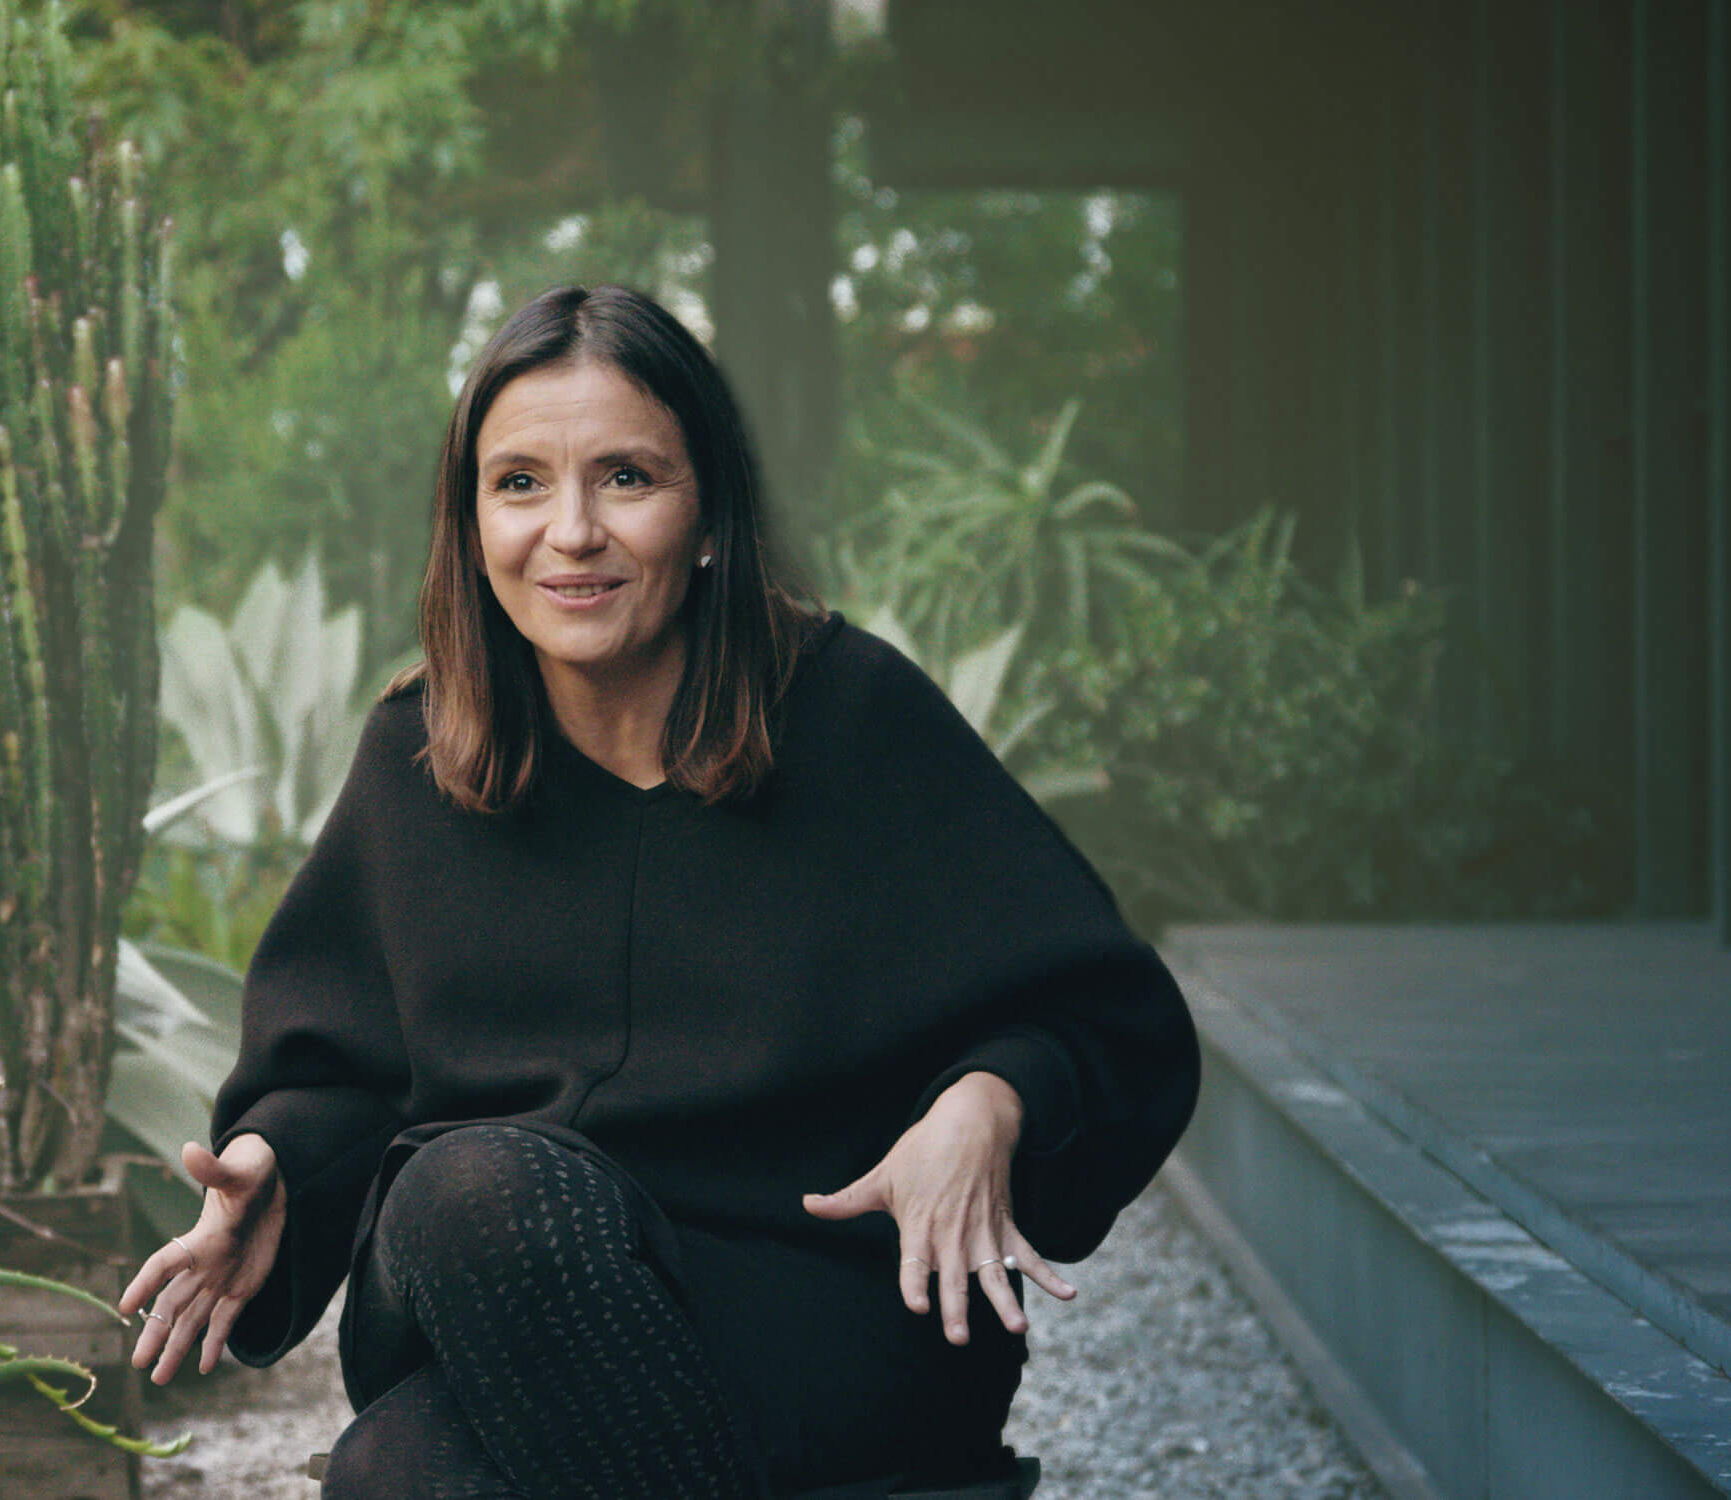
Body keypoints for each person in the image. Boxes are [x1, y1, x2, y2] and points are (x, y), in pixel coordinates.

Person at [114, 284, 1202, 1500]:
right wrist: (275, 1165)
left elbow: (1106, 1014)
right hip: (504, 1282)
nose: (571, 531)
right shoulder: (418, 757)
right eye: (520, 483)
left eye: (626, 478)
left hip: (819, 1307)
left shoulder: (854, 717)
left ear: (710, 514)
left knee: (399, 1472)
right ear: (471, 523)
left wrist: (989, 1101)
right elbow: (335, 1071)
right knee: (473, 1197)